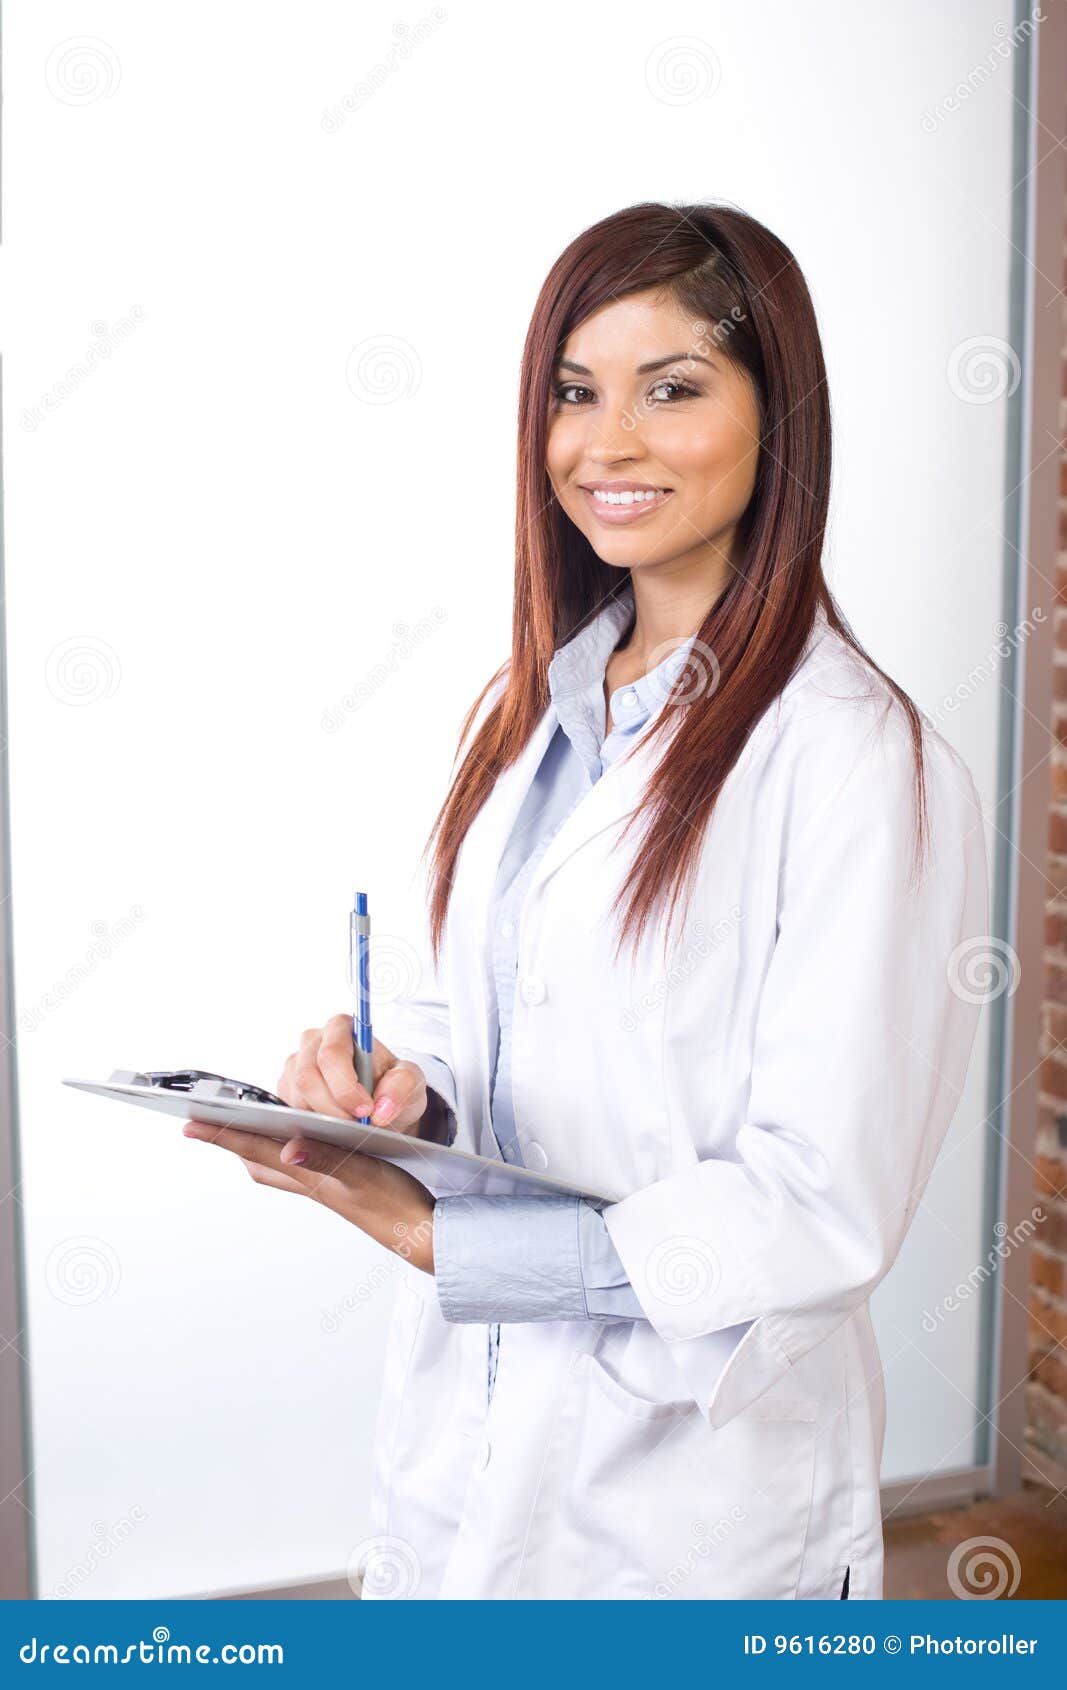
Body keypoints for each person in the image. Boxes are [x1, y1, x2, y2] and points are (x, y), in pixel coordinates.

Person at [183, 202, 989, 1600]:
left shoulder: (860, 757)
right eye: (574, 391)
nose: (604, 444)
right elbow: (474, 1010)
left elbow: (819, 1204)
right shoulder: (529, 707)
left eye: (671, 388)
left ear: (777, 413)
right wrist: (392, 1084)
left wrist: (450, 1240)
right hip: (468, 1456)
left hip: (695, 1517)